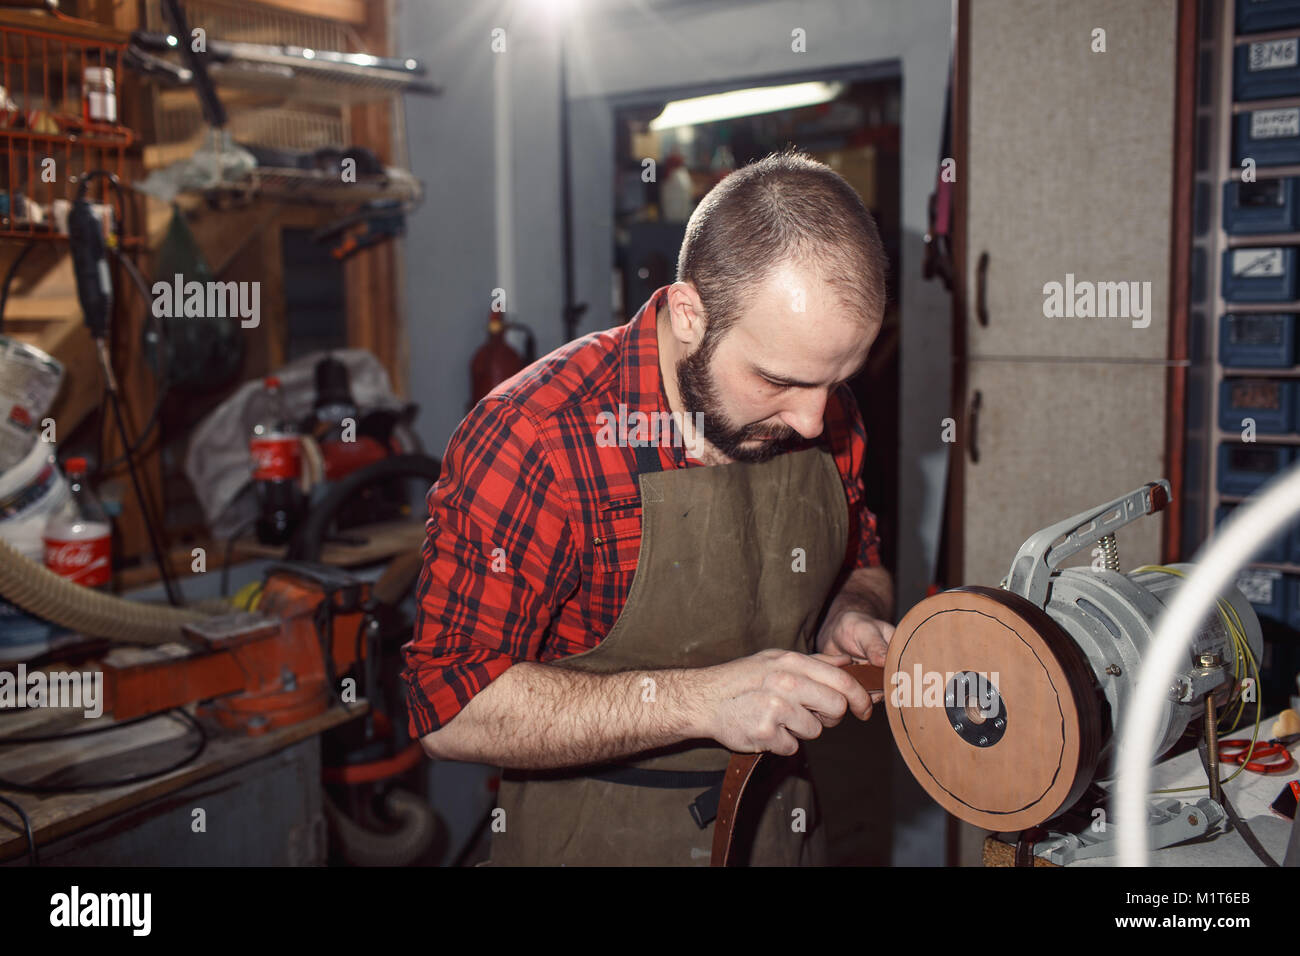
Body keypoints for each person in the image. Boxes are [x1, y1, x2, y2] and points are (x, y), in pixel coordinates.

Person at [401, 150, 894, 865]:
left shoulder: (823, 407)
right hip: (597, 837)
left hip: (785, 824)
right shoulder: (538, 436)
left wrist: (849, 613)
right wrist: (699, 702)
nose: (817, 421)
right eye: (777, 380)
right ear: (690, 313)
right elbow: (448, 708)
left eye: (838, 380)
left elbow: (864, 561)